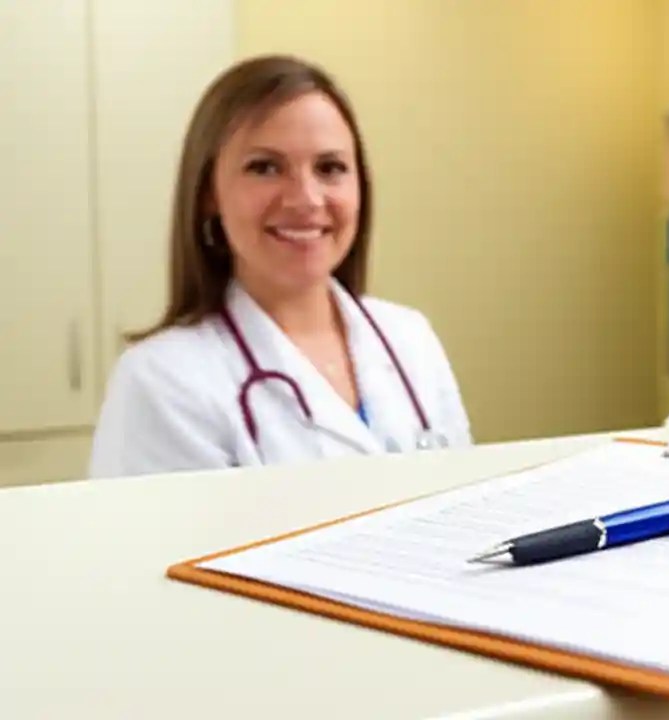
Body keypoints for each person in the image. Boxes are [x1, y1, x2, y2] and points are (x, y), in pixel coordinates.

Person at [89, 55, 472, 478]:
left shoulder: (410, 339)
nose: (306, 199)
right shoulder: (163, 380)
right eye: (265, 167)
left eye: (330, 168)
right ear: (208, 194)